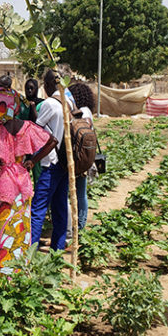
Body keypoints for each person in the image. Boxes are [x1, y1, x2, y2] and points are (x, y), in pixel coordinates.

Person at [0, 88, 57, 277]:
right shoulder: (27, 127)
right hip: (20, 181)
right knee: (19, 227)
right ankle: (17, 271)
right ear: (17, 108)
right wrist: (32, 161)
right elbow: (52, 140)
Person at [30, 69, 74, 251]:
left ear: (47, 85)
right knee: (60, 208)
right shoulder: (69, 102)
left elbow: (37, 132)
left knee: (37, 210)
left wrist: (31, 158)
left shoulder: (49, 104)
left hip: (51, 163)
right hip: (66, 163)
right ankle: (57, 250)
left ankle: (28, 253)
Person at [68, 81, 98, 231]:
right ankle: (79, 224)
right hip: (83, 155)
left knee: (78, 193)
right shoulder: (87, 111)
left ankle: (78, 225)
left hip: (79, 156)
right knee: (80, 192)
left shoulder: (82, 111)